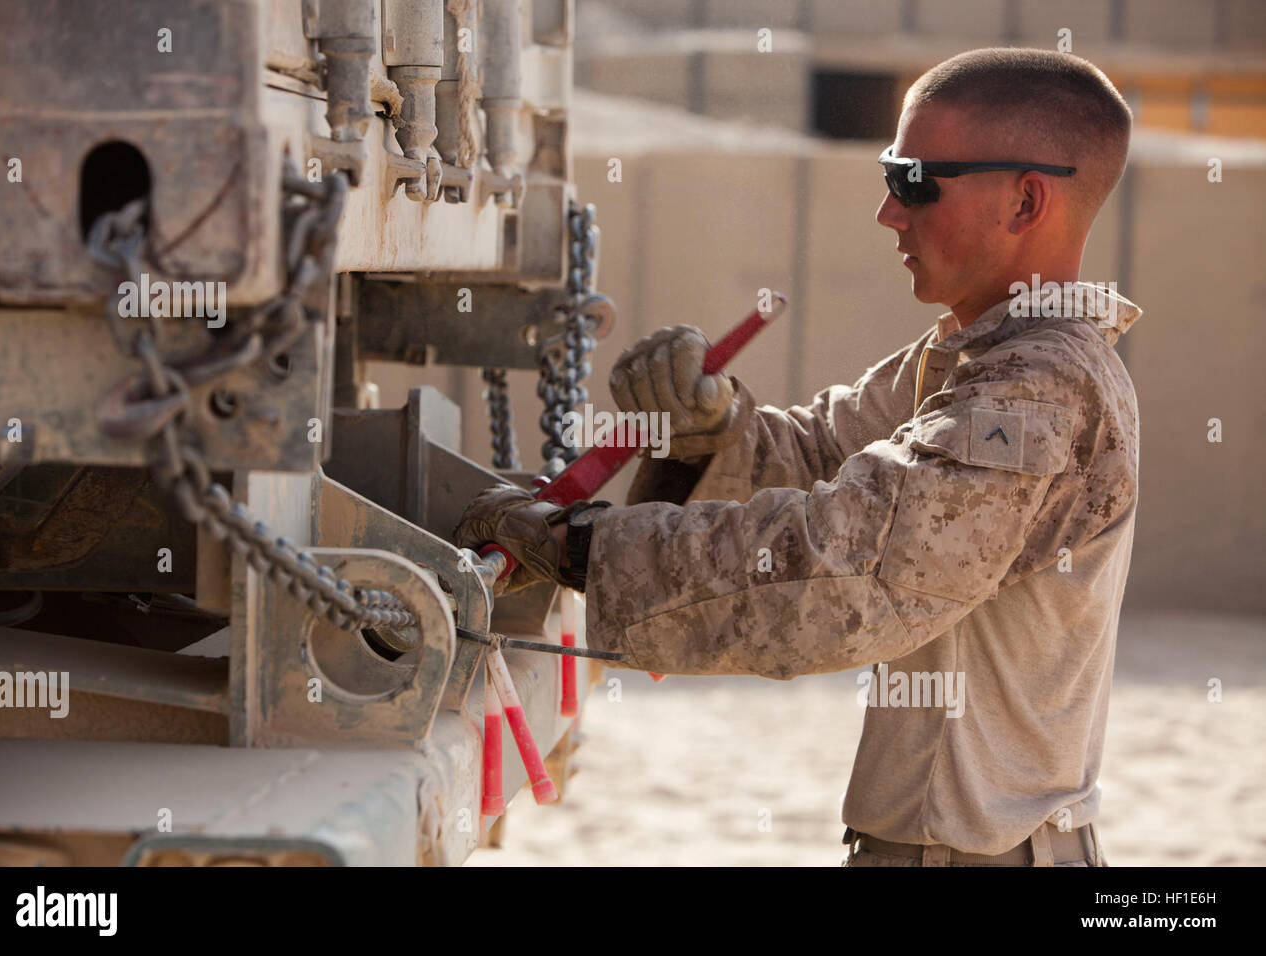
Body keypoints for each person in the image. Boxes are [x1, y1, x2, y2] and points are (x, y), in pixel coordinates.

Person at [454, 48, 1142, 867]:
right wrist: (713, 423)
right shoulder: (975, 357)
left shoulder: (1039, 391)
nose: (889, 212)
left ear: (1027, 200)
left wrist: (578, 547)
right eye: (889, 176)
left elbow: (858, 562)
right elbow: (819, 456)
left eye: (916, 182)